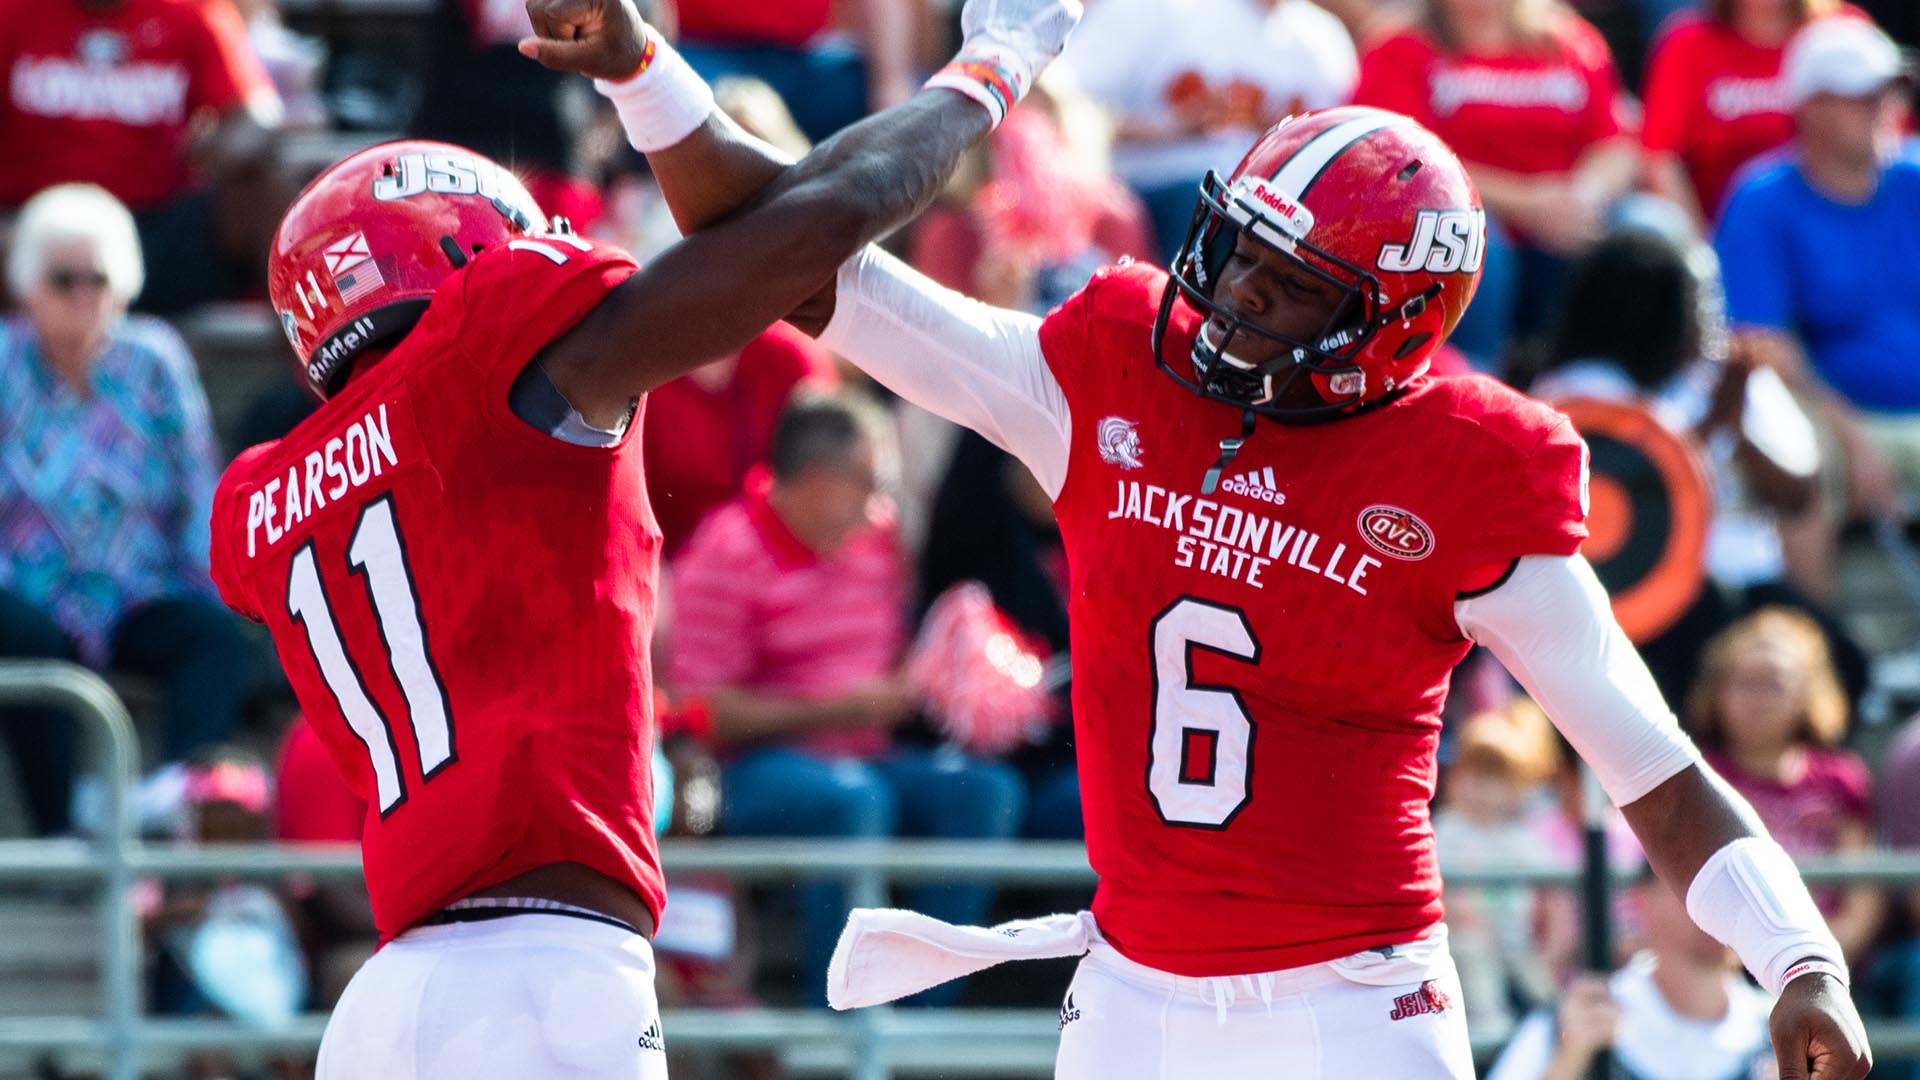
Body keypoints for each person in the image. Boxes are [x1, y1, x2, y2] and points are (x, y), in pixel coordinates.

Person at [586, 50, 1875, 1072]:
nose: (1234, 296)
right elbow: (793, 263)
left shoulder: (1464, 472)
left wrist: (1800, 957)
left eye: (1288, 284)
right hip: (1137, 993)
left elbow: (1654, 769)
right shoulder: (1111, 370)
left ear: (1392, 324)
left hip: (1355, 1008)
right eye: (1239, 251)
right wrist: (640, 64)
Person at [202, 0, 1083, 1072]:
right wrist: (990, 69)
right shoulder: (493, 348)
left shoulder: (259, 494)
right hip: (546, 974)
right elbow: (813, 225)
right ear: (468, 248)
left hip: (387, 1001)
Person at [668, 392, 1025, 1004]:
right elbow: (700, 716)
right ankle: (844, 1017)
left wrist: (955, 663)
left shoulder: (879, 539)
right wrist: (842, 710)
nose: (882, 501)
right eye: (870, 482)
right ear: (817, 480)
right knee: (853, 802)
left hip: (867, 758)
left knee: (986, 791)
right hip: (751, 774)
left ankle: (915, 1028)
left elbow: (902, 653)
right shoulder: (725, 550)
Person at [0, 183, 271, 838]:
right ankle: (59, 829)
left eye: (100, 277)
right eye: (65, 279)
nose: (86, 294)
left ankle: (177, 807)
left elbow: (195, 486)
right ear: (30, 286)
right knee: (25, 637)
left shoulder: (154, 360)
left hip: (134, 593)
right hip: (26, 597)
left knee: (212, 636)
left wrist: (221, 591)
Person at [1352, 0, 1641, 365]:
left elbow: (1616, 146)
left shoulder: (1570, 41)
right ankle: (1476, 379)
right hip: (1469, 233)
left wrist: (1582, 196)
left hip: (1567, 228)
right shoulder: (1400, 48)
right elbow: (1400, 162)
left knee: (1645, 226)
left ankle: (1616, 388)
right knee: (1472, 240)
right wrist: (1528, 204)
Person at [1715, 15, 1919, 523]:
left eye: (1889, 95)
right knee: (1797, 458)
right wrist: (1849, 431)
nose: (1882, 111)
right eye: (1861, 96)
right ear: (1809, 107)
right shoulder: (1760, 200)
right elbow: (1761, 343)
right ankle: (1810, 607)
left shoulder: (1914, 182)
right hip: (1832, 415)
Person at [0, 0, 288, 313]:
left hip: (158, 226)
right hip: (31, 226)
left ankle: (311, 351)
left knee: (267, 186)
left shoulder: (192, 10)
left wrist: (215, 151)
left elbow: (259, 116)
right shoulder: (12, 12)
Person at [1685, 608, 1884, 964]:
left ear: (1807, 693)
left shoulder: (1841, 779)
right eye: (1744, 682)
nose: (1757, 699)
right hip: (1725, 960)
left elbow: (1862, 899)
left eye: (1774, 683)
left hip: (1827, 958)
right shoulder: (1699, 776)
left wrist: (1813, 958)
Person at [1484, 863, 1776, 1080]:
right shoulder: (1565, 1024)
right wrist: (1566, 1063)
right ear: (1642, 899)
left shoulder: (1785, 1032)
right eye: (1699, 883)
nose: (1724, 904)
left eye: (1740, 887)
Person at [1640, 0, 1865, 229]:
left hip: (1836, 228)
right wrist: (1702, 250)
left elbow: (1887, 142)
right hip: (1719, 231)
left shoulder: (1844, 32)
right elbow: (1661, 158)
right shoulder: (1687, 42)